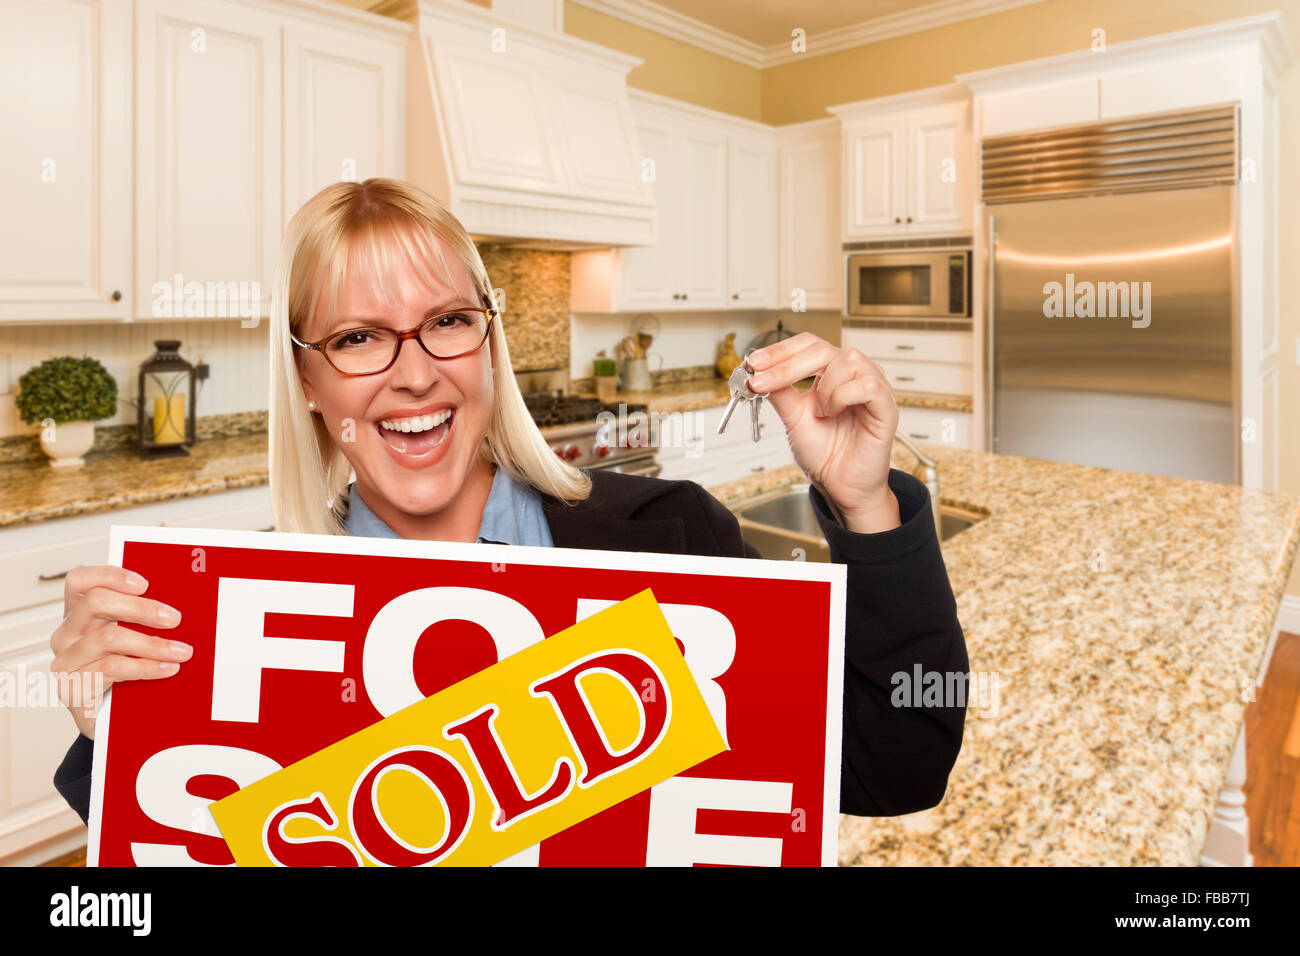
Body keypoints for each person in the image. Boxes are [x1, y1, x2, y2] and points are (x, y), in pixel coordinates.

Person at [51, 178, 969, 835]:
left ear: (486, 343)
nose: (415, 374)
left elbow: (899, 763)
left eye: (448, 322)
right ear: (307, 378)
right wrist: (123, 734)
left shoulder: (674, 537)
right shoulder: (235, 621)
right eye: (359, 336)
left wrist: (864, 504)